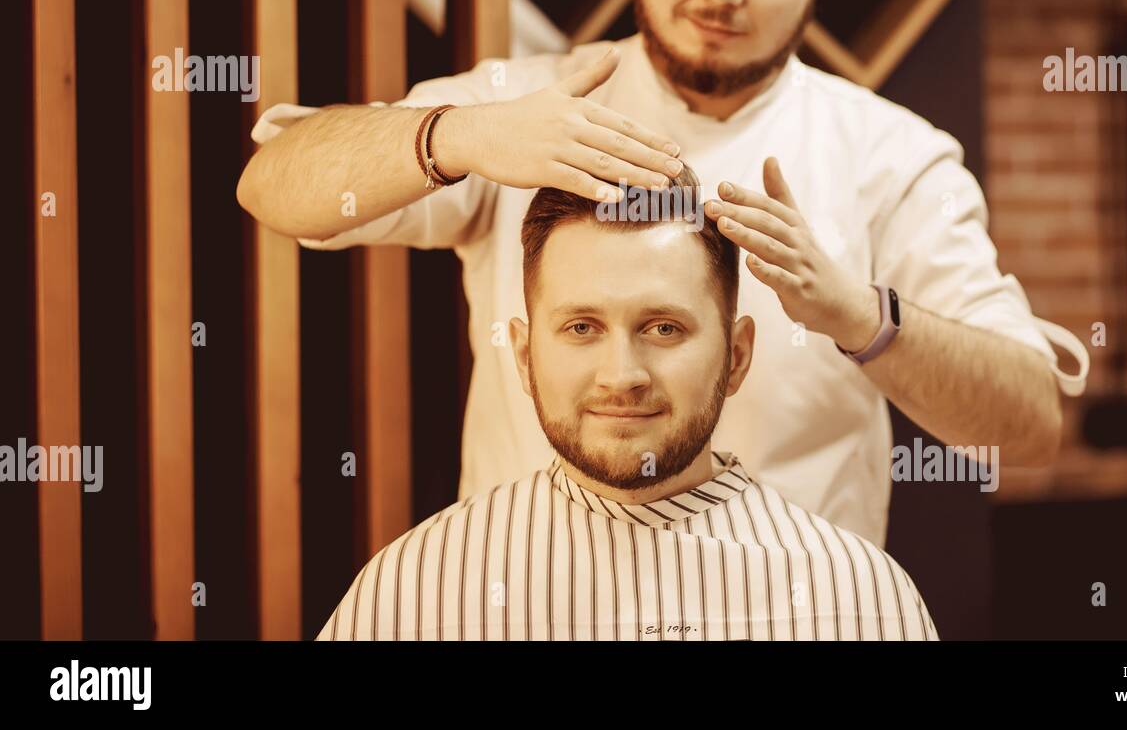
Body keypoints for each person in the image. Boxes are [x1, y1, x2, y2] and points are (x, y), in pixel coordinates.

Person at [238, 0, 1088, 547]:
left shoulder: (895, 159)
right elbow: (272, 181)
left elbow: (1029, 423)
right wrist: (455, 137)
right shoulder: (519, 106)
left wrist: (861, 317)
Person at [318, 170, 938, 640]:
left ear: (738, 356)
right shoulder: (418, 588)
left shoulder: (855, 599)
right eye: (583, 328)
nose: (623, 376)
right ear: (525, 358)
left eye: (664, 328)